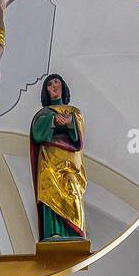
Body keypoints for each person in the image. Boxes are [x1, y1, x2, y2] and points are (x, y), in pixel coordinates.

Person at [30, 73, 86, 240]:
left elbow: (79, 136)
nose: (54, 85)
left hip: (70, 161)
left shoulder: (74, 112)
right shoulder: (44, 113)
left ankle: (74, 232)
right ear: (46, 91)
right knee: (50, 192)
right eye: (49, 84)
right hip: (49, 160)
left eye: (57, 82)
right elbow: (37, 134)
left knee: (72, 189)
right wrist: (53, 121)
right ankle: (54, 233)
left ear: (63, 86)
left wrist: (70, 123)